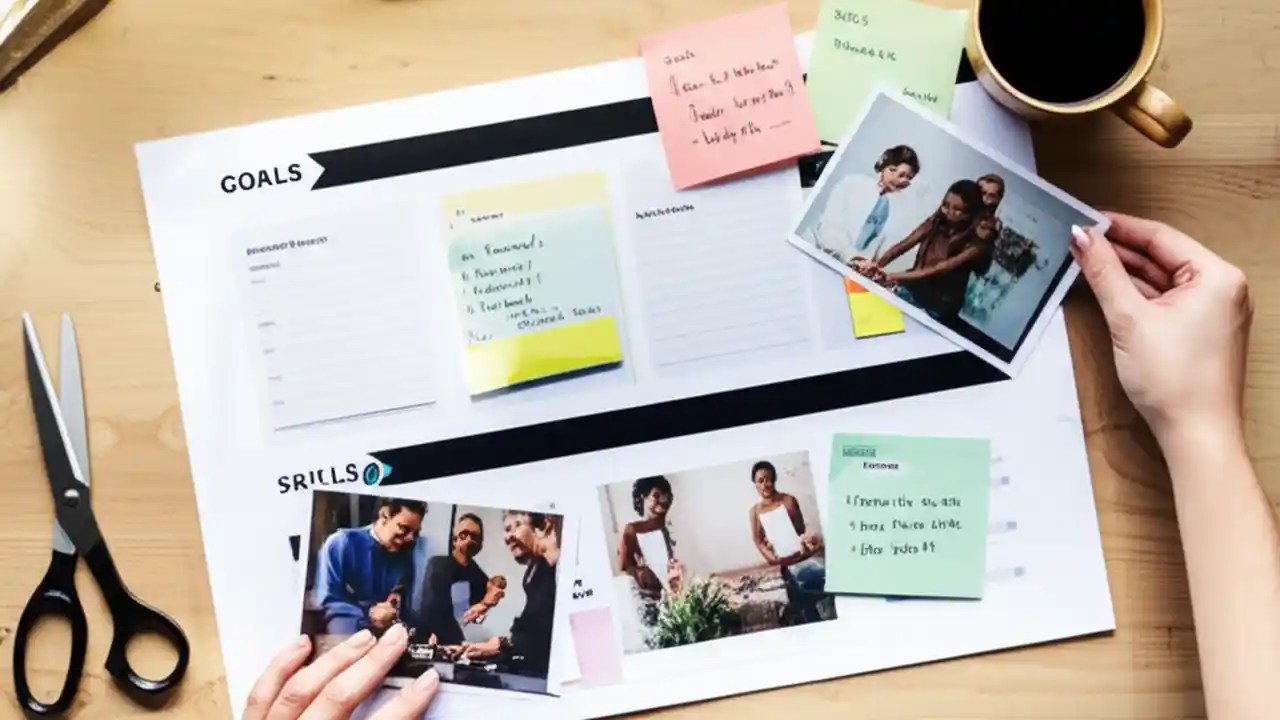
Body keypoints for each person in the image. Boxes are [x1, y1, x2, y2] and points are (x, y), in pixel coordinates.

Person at [253, 213, 1278, 719]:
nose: (461, 534)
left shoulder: (765, 499)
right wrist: (1195, 429)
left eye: (482, 530)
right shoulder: (514, 553)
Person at [853, 179, 992, 322]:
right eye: (945, 205)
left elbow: (936, 269)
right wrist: (877, 265)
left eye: (957, 209)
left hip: (938, 306)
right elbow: (905, 244)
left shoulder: (977, 243)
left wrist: (890, 276)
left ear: (969, 213)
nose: (948, 212)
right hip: (915, 287)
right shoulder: (937, 220)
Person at [457, 511, 561, 676]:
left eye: (517, 526)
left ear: (544, 525)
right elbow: (531, 623)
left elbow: (543, 635)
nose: (508, 537)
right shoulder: (534, 572)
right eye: (506, 530)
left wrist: (500, 645)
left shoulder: (554, 569)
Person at [312, 498, 426, 635]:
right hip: (343, 634)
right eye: (404, 529)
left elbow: (404, 607)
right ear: (384, 516)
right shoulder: (341, 543)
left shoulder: (405, 555)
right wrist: (370, 612)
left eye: (415, 533)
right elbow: (326, 599)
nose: (410, 538)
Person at [805, 144, 920, 264]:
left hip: (851, 264)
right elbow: (831, 225)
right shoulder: (852, 183)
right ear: (886, 168)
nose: (903, 181)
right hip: (818, 249)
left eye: (909, 178)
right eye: (900, 174)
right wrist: (850, 255)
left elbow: (877, 244)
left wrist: (864, 263)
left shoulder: (892, 206)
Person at [747, 460, 827, 623]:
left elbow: (800, 531)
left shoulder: (788, 500)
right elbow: (757, 540)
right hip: (781, 563)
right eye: (760, 481)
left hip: (799, 557)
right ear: (755, 484)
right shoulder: (755, 511)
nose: (765, 485)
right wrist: (771, 557)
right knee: (798, 597)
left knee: (811, 582)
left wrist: (802, 544)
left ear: (774, 479)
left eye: (768, 479)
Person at [413, 513, 505, 646]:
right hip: (431, 641)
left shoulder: (479, 576)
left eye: (475, 537)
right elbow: (434, 610)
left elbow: (477, 619)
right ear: (454, 539)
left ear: (480, 544)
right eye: (464, 535)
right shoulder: (438, 565)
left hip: (463, 644)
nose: (469, 540)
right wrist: (460, 642)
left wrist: (489, 600)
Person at [617, 475, 682, 596]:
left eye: (666, 496)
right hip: (649, 594)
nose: (663, 501)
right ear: (643, 497)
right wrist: (640, 573)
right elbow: (625, 568)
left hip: (674, 593)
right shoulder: (631, 530)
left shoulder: (669, 528)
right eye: (656, 496)